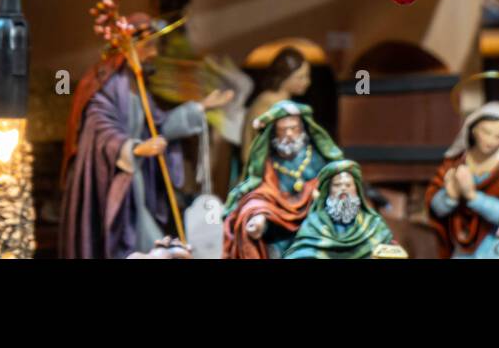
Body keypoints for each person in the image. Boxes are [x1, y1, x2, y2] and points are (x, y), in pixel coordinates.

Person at [59, 13, 234, 258]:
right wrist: (134, 148)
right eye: (149, 45)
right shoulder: (106, 84)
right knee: (141, 242)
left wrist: (199, 108)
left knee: (147, 243)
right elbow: (99, 129)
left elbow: (157, 127)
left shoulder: (136, 84)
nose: (153, 53)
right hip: (112, 182)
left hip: (136, 180)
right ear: (130, 47)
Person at [425, 102, 499, 258]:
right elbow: (435, 208)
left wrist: (473, 197)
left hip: (498, 246)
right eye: (486, 132)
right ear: (473, 129)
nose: (490, 140)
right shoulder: (455, 163)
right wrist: (450, 195)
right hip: (460, 242)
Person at [223, 100, 342, 258]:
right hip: (278, 224)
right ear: (274, 133)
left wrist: (317, 194)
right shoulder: (268, 162)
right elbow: (262, 192)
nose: (289, 134)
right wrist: (259, 217)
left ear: (302, 129)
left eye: (294, 128)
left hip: (313, 219)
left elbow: (330, 181)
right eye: (283, 130)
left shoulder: (316, 156)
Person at [284, 160, 396, 259]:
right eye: (337, 185)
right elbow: (298, 253)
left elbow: (391, 250)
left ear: (356, 190)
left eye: (348, 185)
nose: (343, 189)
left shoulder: (373, 224)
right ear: (328, 191)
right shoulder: (314, 224)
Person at [241, 46, 312, 164]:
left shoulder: (283, 102)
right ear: (284, 77)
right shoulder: (269, 103)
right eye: (300, 77)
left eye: (307, 76)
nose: (307, 82)